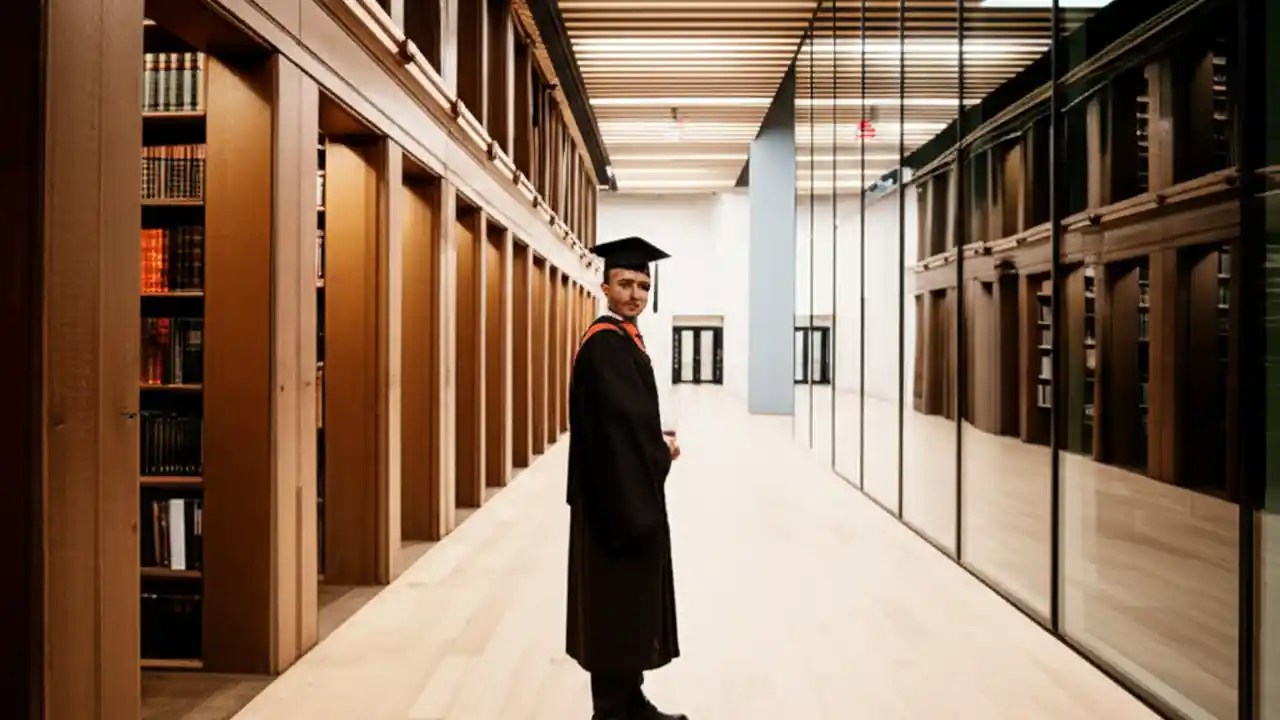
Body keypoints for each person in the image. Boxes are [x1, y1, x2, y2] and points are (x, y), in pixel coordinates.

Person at [566, 236, 687, 720]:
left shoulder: (621, 341)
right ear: (605, 286)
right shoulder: (606, 345)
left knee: (626, 602)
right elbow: (619, 428)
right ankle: (614, 709)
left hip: (620, 492)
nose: (635, 294)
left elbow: (625, 419)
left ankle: (629, 699)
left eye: (643, 285)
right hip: (614, 503)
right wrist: (661, 450)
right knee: (616, 603)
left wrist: (651, 443)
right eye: (625, 284)